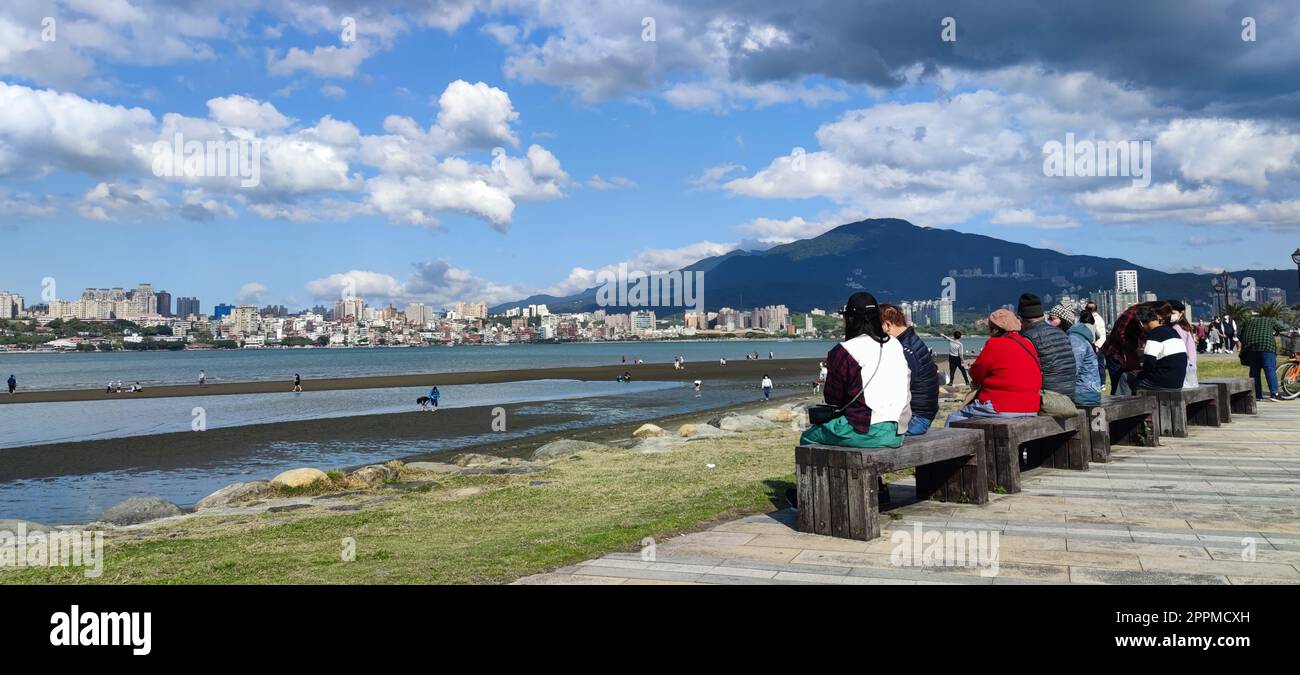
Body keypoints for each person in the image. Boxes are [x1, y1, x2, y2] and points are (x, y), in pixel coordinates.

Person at [800, 292, 911, 449]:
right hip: (897, 432)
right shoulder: (894, 343)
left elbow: (833, 398)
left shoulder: (844, 350)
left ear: (850, 319)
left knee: (808, 438)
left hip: (865, 429)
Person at [946, 309, 1041, 425]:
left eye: (989, 329)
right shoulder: (1027, 344)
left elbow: (976, 373)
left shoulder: (994, 344)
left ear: (995, 330)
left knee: (953, 418)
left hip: (1001, 406)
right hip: (1032, 407)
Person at [881, 304, 939, 436]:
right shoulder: (910, 341)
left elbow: (897, 390)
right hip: (922, 413)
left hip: (916, 418)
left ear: (888, 325)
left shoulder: (904, 349)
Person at [1018, 293, 1076, 398]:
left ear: (1021, 319)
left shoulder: (1028, 338)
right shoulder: (1062, 333)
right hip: (1070, 393)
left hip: (1048, 397)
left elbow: (1024, 372)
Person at [1048, 301, 1101, 406]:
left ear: (1064, 320)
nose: (1049, 322)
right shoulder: (1073, 337)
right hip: (1085, 392)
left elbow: (1073, 369)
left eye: (1052, 319)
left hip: (1083, 393)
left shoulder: (1074, 339)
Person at [1130, 307, 1188, 392]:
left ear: (1141, 323)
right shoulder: (1171, 331)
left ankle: (1125, 403)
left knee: (1128, 379)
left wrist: (1141, 374)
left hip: (1163, 383)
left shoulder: (1154, 334)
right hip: (1178, 383)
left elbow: (1149, 362)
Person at [1240, 309, 1287, 401]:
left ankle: (1257, 395)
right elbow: (1283, 329)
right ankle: (1274, 393)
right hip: (1266, 345)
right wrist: (1276, 332)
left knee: (1254, 371)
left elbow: (1240, 335)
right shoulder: (1269, 320)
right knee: (1269, 369)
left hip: (1250, 347)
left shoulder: (1248, 321)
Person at [1166, 301, 1198, 388]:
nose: (1170, 315)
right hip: (1190, 364)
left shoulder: (1176, 328)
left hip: (1184, 365)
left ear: (1181, 313)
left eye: (1173, 313)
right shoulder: (1184, 326)